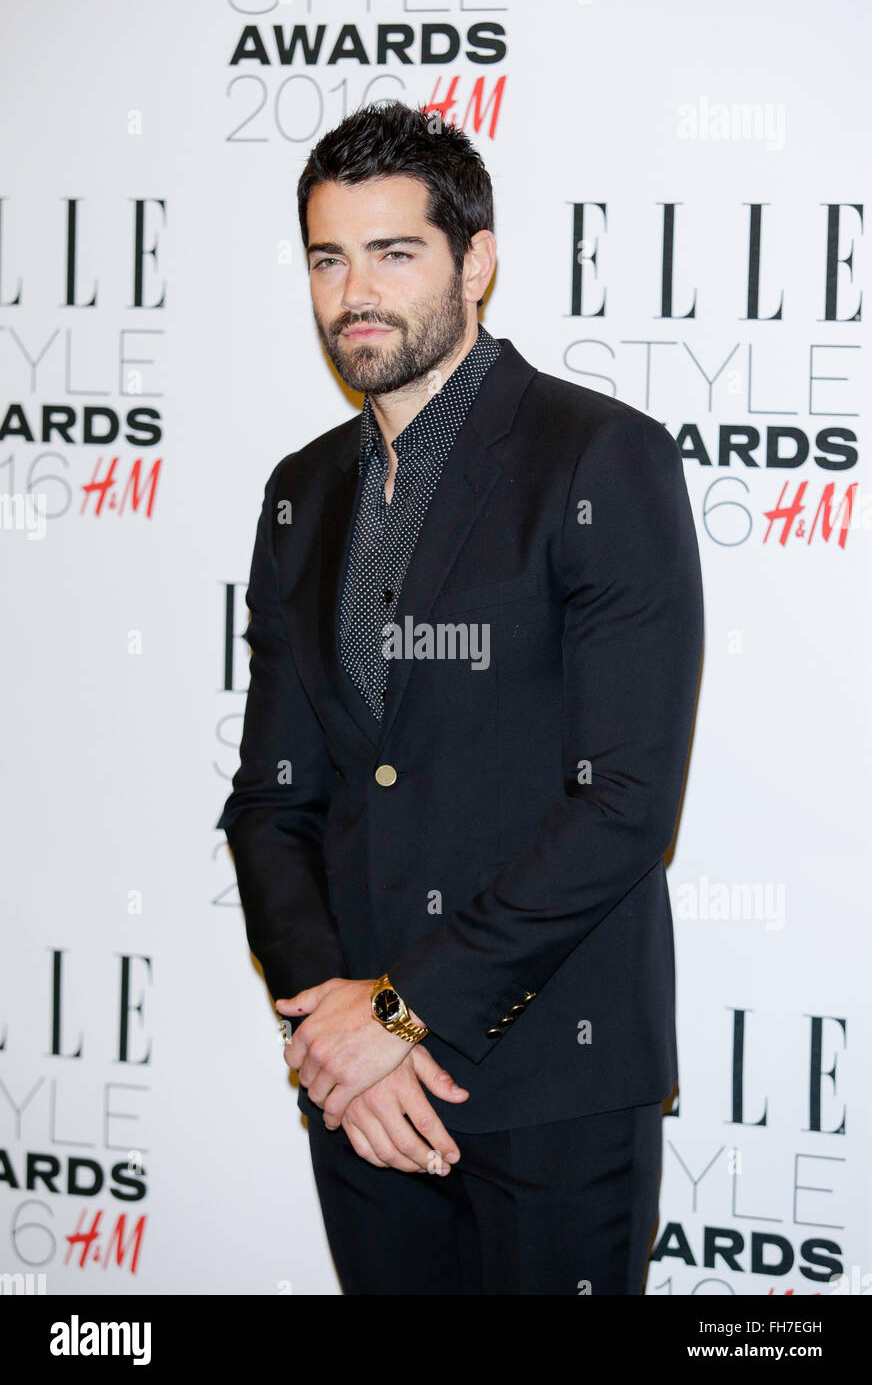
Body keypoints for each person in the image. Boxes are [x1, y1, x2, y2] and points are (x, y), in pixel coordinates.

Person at [217, 100, 704, 1295]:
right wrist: (335, 1034)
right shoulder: (302, 492)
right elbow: (272, 803)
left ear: (474, 260)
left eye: (395, 252)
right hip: (364, 1100)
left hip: (551, 1086)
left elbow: (625, 806)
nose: (355, 294)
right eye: (328, 258)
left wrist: (398, 1013)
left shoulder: (597, 458)